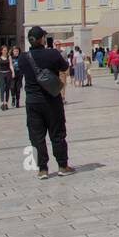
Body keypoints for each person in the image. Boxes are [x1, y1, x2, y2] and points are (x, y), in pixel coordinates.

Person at [19, 26, 74, 179]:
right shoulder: (52, 54)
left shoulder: (24, 57)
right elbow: (65, 67)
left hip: (32, 101)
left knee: (36, 136)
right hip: (51, 100)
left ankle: (42, 169)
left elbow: (22, 72)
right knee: (57, 134)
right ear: (42, 39)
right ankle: (63, 166)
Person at [0, 46, 13, 111]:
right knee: (2, 88)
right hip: (1, 74)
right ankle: (2, 103)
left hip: (8, 73)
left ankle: (6, 103)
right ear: (1, 51)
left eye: (6, 50)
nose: (5, 51)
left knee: (7, 89)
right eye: (4, 50)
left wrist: (13, 72)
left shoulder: (9, 57)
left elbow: (11, 65)